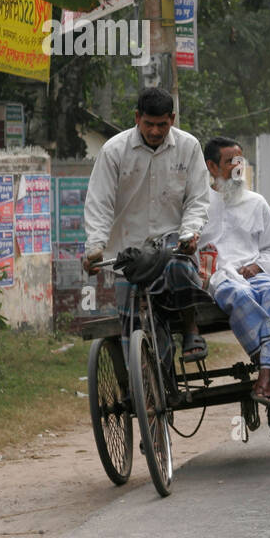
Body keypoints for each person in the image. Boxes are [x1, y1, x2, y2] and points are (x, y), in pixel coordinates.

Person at [82, 87, 211, 362]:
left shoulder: (189, 147)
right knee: (131, 326)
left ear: (172, 119)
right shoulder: (114, 151)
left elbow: (197, 199)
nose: (155, 131)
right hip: (127, 254)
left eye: (162, 125)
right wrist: (95, 247)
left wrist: (190, 233)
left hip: (172, 246)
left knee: (180, 268)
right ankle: (141, 389)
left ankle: (190, 329)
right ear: (137, 117)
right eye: (149, 124)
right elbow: (99, 202)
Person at [200, 137, 270, 404]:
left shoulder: (256, 203)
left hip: (254, 274)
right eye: (229, 162)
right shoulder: (197, 204)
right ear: (211, 166)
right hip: (218, 278)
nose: (237, 168)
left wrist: (258, 266)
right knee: (239, 295)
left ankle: (265, 374)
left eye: (240, 162)